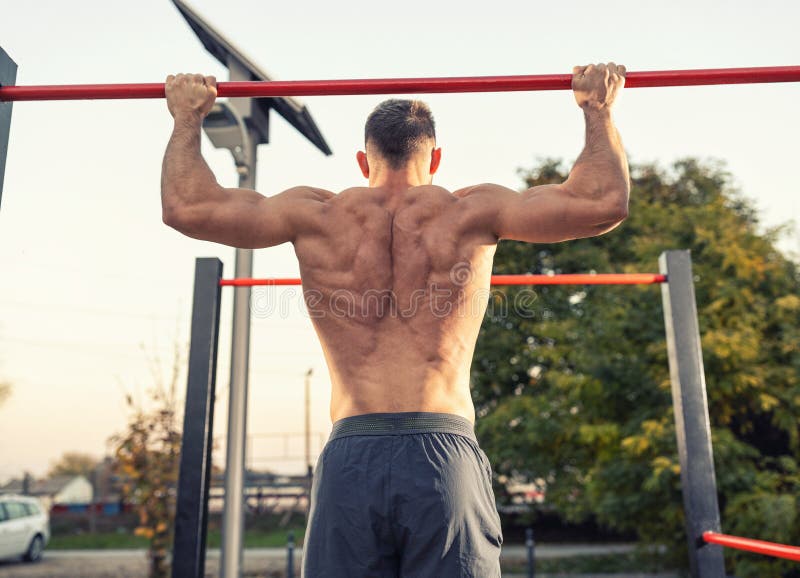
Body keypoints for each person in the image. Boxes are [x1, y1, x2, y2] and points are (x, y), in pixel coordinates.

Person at [161, 62, 629, 577]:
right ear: (436, 158)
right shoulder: (471, 212)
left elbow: (187, 207)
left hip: (351, 455)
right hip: (443, 455)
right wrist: (597, 108)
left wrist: (187, 117)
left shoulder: (315, 215)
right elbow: (602, 202)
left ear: (364, 161)